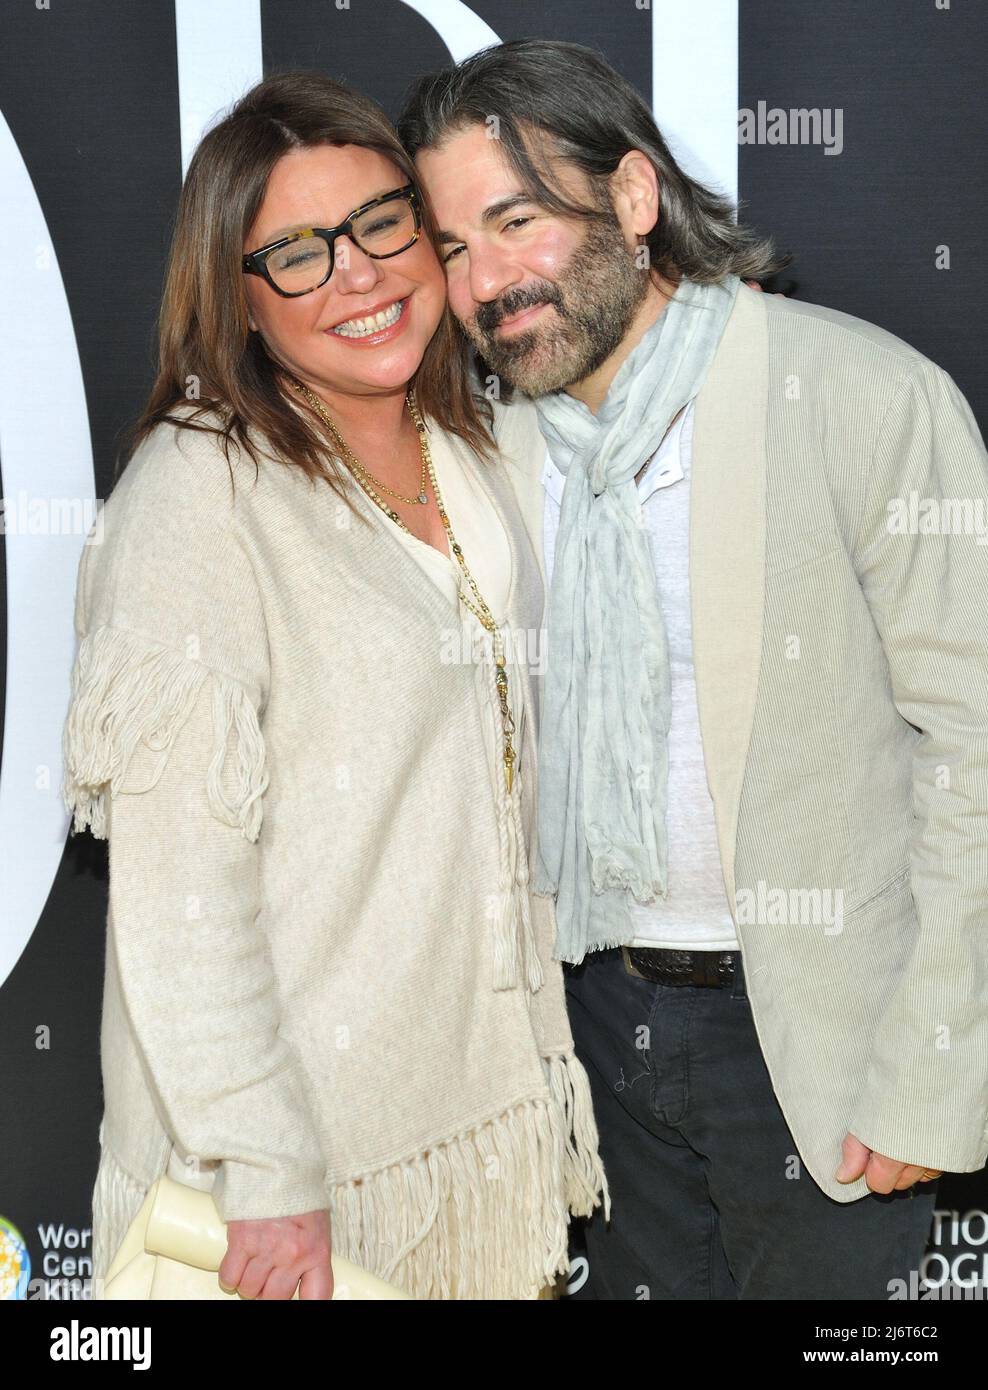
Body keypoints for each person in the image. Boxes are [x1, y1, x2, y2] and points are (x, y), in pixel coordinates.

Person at [398, 38, 988, 1299]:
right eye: (453, 248)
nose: (486, 283)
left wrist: (932, 1065)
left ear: (628, 198)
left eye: (515, 220)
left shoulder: (856, 396)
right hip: (588, 1038)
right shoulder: (484, 455)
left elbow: (976, 747)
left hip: (810, 1048)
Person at [61, 68, 608, 1303]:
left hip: (470, 1127)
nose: (356, 274)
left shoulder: (475, 449)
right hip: (292, 1177)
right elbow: (176, 890)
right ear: (239, 302)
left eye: (378, 223)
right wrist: (265, 1167)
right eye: (297, 254)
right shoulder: (199, 496)